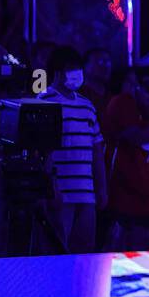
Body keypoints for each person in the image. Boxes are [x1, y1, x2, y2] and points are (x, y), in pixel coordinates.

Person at [39, 46, 106, 253]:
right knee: (58, 252)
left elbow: (96, 152)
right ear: (58, 72)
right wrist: (51, 189)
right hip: (59, 195)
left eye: (78, 68)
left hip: (86, 195)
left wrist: (102, 188)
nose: (77, 73)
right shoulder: (44, 102)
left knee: (85, 254)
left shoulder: (87, 106)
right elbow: (41, 151)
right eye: (71, 68)